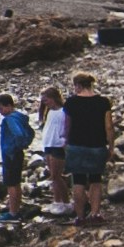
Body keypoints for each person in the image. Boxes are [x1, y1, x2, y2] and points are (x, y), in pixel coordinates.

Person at [64, 68, 111, 221]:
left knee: (78, 181)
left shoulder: (71, 102)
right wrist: (111, 146)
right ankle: (95, 213)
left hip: (76, 145)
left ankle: (80, 217)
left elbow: (67, 126)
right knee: (96, 180)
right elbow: (109, 126)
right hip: (97, 145)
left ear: (78, 85)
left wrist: (66, 142)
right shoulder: (103, 102)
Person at [0, 89, 34, 214]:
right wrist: (25, 144)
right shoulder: (19, 117)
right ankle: (16, 209)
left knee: (11, 184)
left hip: (10, 154)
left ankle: (13, 212)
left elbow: (18, 134)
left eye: (1, 108)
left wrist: (16, 146)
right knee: (16, 182)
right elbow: (31, 132)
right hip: (17, 153)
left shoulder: (9, 119)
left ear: (9, 105)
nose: (0, 112)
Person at [37, 84, 71, 213]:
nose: (45, 103)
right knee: (53, 176)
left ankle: (66, 203)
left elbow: (68, 127)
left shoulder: (64, 111)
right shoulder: (50, 112)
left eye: (46, 100)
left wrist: (65, 140)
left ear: (54, 98)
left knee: (56, 176)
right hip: (48, 144)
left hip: (58, 145)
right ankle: (57, 201)